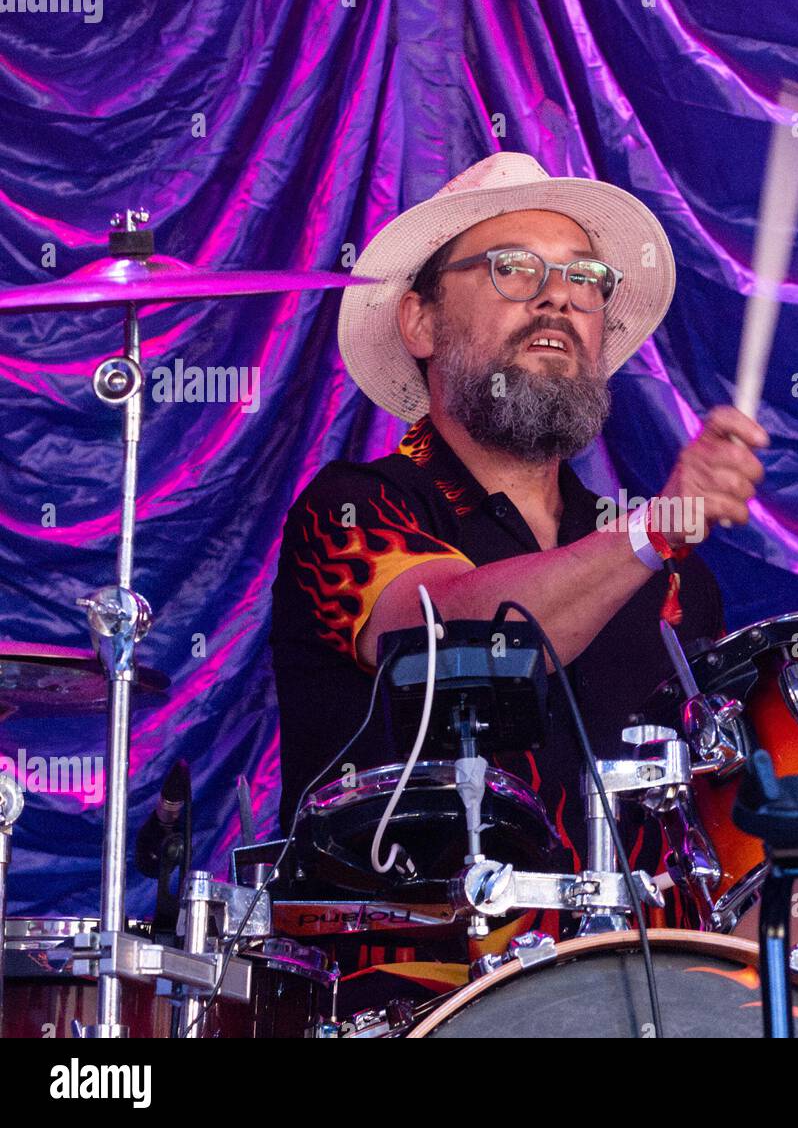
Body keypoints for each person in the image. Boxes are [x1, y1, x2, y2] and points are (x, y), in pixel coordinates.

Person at [270, 151, 768, 929]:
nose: (558, 299)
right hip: (415, 997)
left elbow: (716, 836)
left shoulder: (673, 578)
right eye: (513, 268)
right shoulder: (356, 511)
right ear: (420, 321)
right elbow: (455, 631)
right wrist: (654, 527)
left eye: (584, 279)